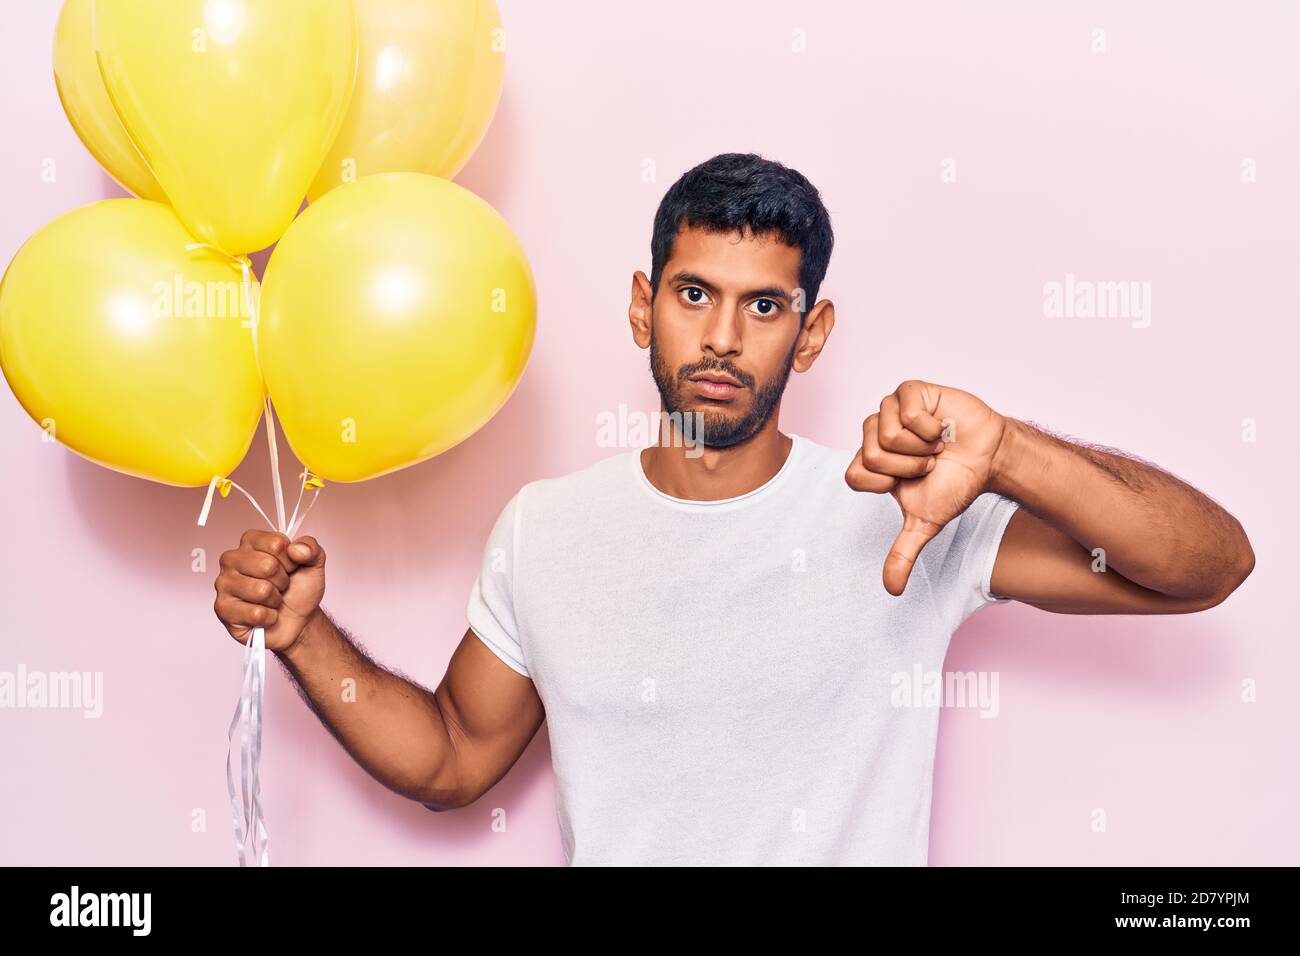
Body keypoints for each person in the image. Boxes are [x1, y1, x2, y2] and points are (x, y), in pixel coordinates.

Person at [212, 153, 1254, 865]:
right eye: (692, 293)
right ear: (642, 305)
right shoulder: (545, 528)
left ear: (809, 333)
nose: (721, 336)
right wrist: (303, 636)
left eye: (763, 305)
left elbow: (1205, 565)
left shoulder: (908, 509)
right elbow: (451, 755)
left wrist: (1012, 450)